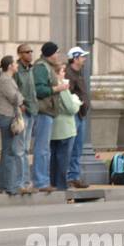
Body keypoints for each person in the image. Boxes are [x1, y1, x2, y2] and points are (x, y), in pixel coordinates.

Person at [30, 42, 67, 192]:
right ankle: (40, 182)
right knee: (42, 148)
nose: (57, 56)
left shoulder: (47, 67)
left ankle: (43, 180)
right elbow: (38, 89)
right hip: (43, 111)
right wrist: (57, 88)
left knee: (45, 148)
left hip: (48, 111)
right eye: (56, 53)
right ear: (49, 54)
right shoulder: (41, 67)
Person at [0, 55, 25, 196]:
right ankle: (10, 186)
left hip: (8, 117)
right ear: (10, 66)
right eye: (15, 64)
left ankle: (4, 184)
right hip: (8, 118)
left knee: (8, 152)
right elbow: (16, 98)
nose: (17, 65)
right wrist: (21, 97)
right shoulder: (5, 80)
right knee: (10, 152)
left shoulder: (7, 79)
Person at [48, 60, 80, 191]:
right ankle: (62, 184)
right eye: (62, 71)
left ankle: (53, 183)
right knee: (63, 159)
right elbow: (71, 107)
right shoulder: (61, 87)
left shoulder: (50, 86)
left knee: (53, 158)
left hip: (54, 128)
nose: (64, 73)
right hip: (65, 128)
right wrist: (77, 102)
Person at [12, 44, 38, 195]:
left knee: (26, 149)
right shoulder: (17, 70)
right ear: (20, 54)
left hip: (32, 112)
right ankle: (19, 183)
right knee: (19, 150)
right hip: (22, 112)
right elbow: (13, 89)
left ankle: (27, 183)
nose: (30, 54)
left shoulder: (30, 69)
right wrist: (20, 104)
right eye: (27, 52)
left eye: (31, 51)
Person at [65, 46, 91, 188]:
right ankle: (68, 176)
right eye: (82, 56)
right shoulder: (69, 73)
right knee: (69, 147)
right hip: (74, 114)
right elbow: (68, 95)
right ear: (75, 58)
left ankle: (74, 176)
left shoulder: (78, 72)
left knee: (77, 148)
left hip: (80, 114)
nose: (84, 59)